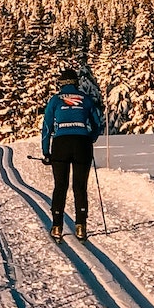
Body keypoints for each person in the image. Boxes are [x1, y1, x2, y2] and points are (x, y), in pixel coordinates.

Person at [40, 68, 104, 241]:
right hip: (82, 142)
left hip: (61, 143)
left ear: (61, 84)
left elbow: (47, 127)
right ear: (76, 83)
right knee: (80, 186)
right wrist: (90, 138)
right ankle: (81, 226)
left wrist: (46, 151)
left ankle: (57, 226)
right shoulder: (86, 99)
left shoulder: (55, 100)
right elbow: (98, 124)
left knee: (60, 185)